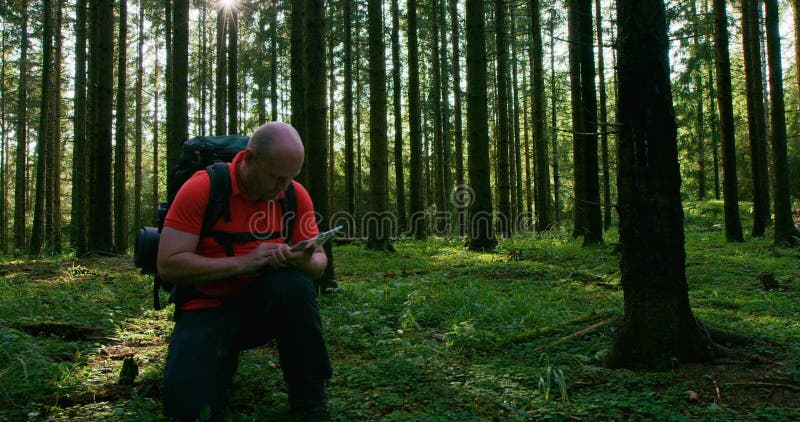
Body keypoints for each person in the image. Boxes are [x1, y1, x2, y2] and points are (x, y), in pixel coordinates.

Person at [157, 122, 333, 420]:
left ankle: (310, 400)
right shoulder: (204, 188)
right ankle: (215, 364)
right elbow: (168, 264)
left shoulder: (293, 195)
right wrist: (243, 262)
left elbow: (318, 263)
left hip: (260, 309)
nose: (283, 188)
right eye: (277, 178)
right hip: (207, 307)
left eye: (291, 178)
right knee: (188, 409)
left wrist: (301, 260)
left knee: (295, 288)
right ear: (250, 159)